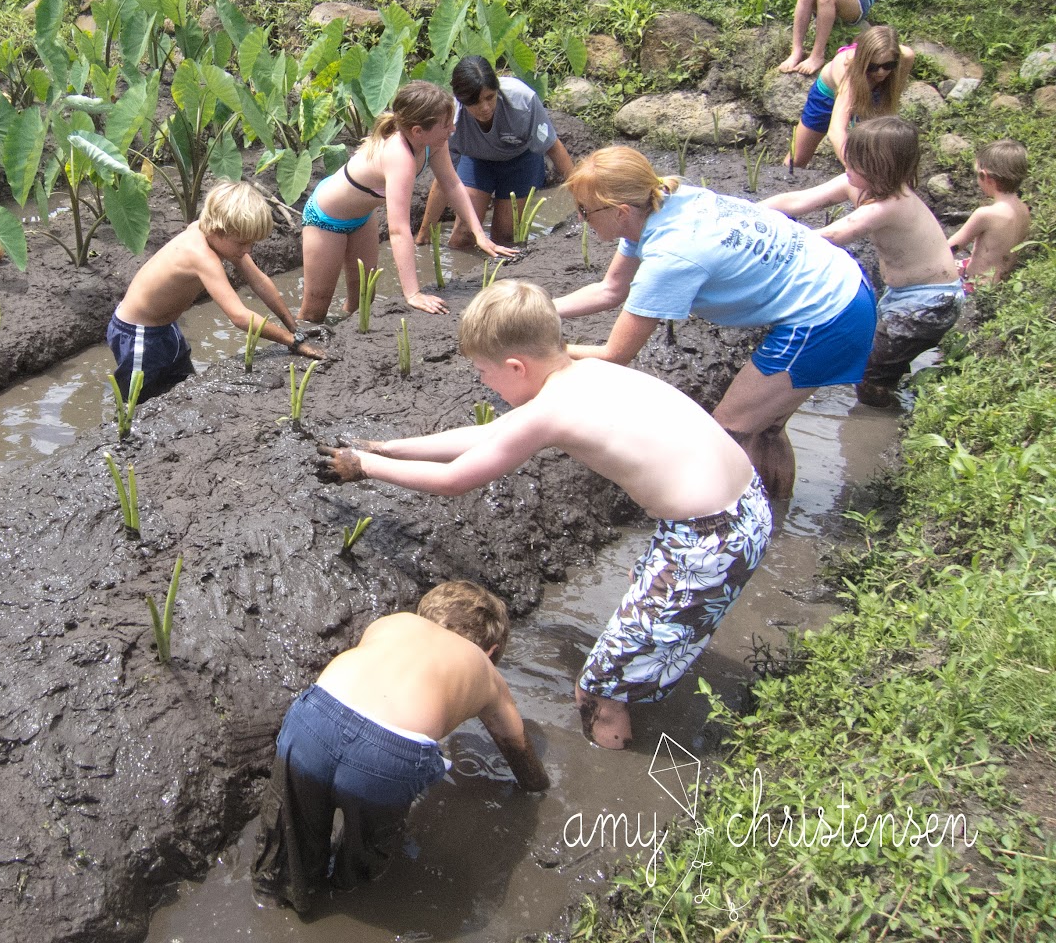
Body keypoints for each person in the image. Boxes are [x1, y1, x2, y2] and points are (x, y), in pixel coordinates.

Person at [316, 281, 771, 751]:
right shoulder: (590, 372)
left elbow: (458, 478)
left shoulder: (553, 411)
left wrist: (363, 467)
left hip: (707, 541)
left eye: (483, 372)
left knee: (598, 686)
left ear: (516, 366)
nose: (482, 382)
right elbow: (492, 433)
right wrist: (385, 448)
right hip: (743, 507)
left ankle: (609, 785)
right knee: (647, 641)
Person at [553, 146, 875, 499]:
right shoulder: (663, 203)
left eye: (585, 210)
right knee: (765, 427)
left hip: (827, 315)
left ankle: (745, 528)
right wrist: (540, 311)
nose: (582, 219)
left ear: (621, 212)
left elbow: (616, 354)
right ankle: (778, 513)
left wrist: (544, 350)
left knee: (728, 433)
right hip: (844, 284)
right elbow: (610, 289)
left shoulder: (672, 256)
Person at [251, 579, 550, 913]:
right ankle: (349, 900)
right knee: (364, 855)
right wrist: (537, 791)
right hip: (388, 754)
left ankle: (277, 900)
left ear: (424, 615)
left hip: (313, 718)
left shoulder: (391, 623)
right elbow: (516, 746)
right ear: (491, 651)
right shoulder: (485, 670)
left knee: (289, 845)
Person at [761, 117, 963, 408]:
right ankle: (893, 383)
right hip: (903, 296)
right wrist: (748, 213)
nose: (847, 167)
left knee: (870, 377)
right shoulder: (854, 183)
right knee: (880, 357)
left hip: (930, 303)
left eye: (856, 163)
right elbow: (797, 201)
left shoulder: (889, 206)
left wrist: (776, 242)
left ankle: (883, 422)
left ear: (882, 170)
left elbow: (833, 235)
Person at [301, 80, 513, 322]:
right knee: (315, 308)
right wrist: (412, 293)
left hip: (361, 217)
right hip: (326, 217)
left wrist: (479, 234)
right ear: (417, 131)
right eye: (445, 125)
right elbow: (399, 230)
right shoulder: (399, 156)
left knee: (363, 299)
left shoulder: (434, 143)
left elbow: (452, 184)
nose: (452, 130)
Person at [111, 180, 322, 404]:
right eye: (243, 243)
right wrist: (292, 342)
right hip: (138, 334)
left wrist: (294, 327)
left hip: (167, 328)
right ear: (218, 230)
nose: (248, 250)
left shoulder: (217, 236)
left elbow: (259, 280)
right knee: (135, 402)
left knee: (182, 387)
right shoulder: (199, 254)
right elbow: (239, 317)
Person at [415, 56, 574, 248]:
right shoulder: (452, 119)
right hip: (477, 161)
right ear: (461, 100)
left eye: (490, 98)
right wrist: (423, 234)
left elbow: (554, 147)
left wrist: (582, 197)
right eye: (474, 103)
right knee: (463, 235)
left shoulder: (522, 101)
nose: (485, 108)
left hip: (520, 161)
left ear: (497, 89)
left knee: (505, 237)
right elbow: (443, 181)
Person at [787, 24, 913, 169]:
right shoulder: (846, 68)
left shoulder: (906, 57)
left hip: (873, 94)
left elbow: (891, 102)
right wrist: (852, 167)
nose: (880, 72)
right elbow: (836, 129)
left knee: (875, 154)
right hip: (827, 98)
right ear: (862, 60)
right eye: (872, 67)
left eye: (888, 65)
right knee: (796, 160)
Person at [948, 138, 1031, 292]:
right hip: (1000, 282)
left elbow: (953, 247)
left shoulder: (986, 214)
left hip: (976, 284)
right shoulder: (1024, 210)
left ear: (986, 177)